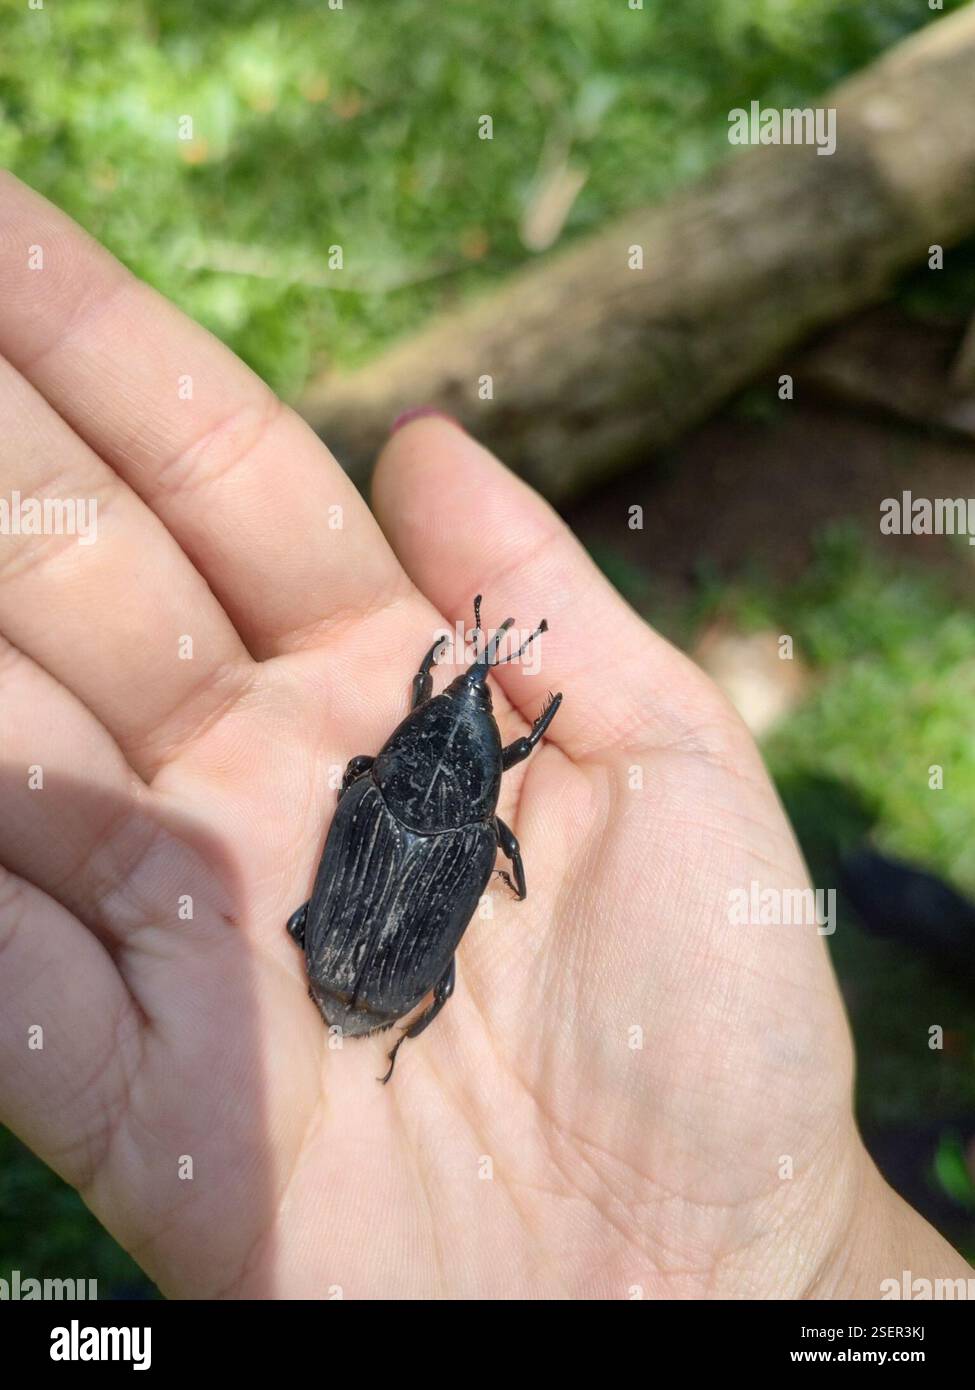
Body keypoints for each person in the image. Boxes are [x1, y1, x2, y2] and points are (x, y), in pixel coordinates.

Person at [0, 171, 969, 1299]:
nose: (473, 704)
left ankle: (390, 1028)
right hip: (379, 946)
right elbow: (464, 749)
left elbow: (416, 738)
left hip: (359, 936)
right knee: (390, 946)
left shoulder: (380, 786)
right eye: (472, 705)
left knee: (343, 926)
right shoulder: (473, 832)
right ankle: (394, 1033)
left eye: (477, 706)